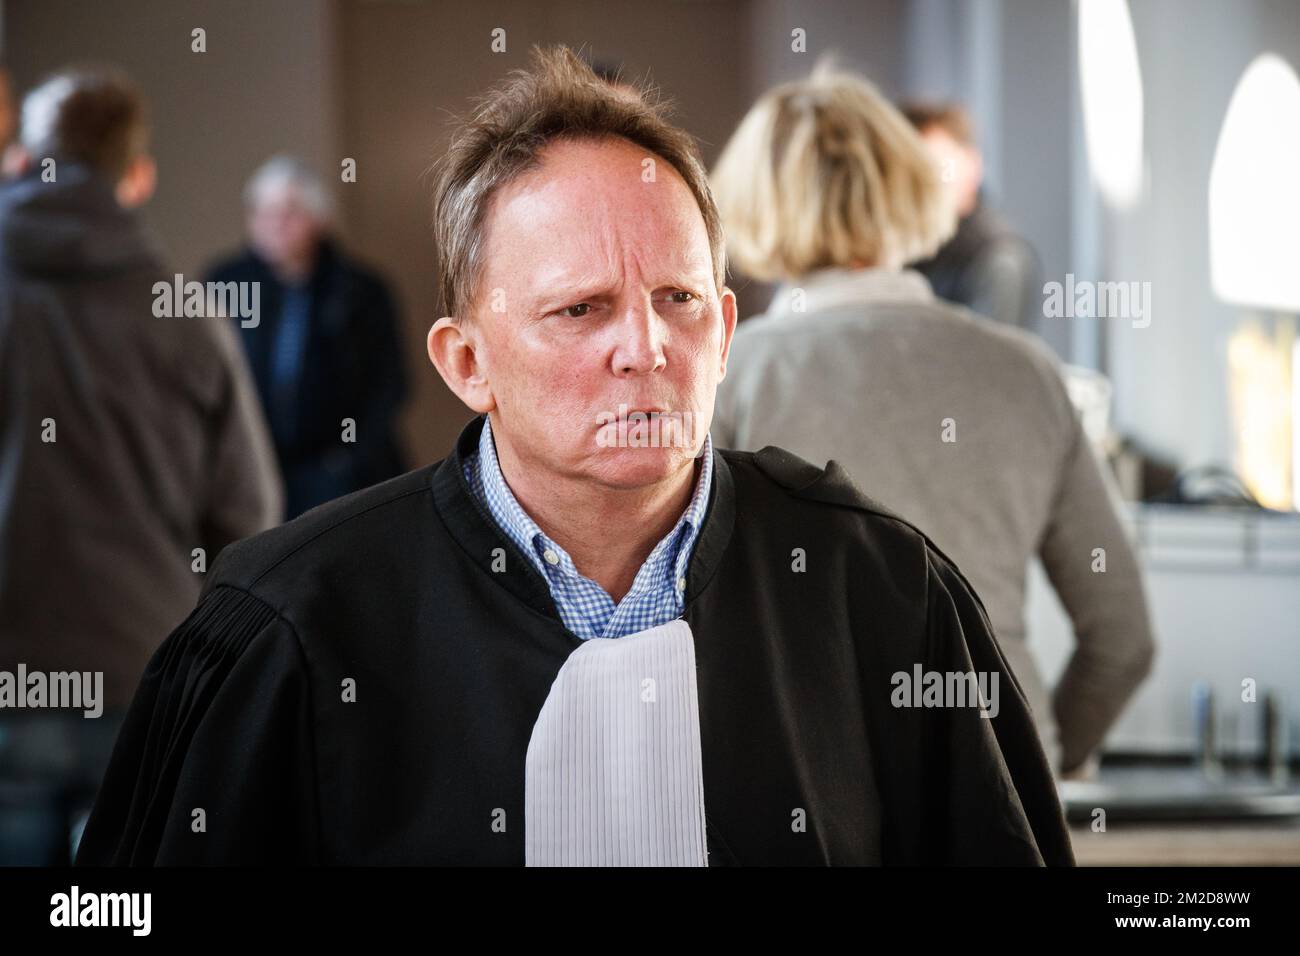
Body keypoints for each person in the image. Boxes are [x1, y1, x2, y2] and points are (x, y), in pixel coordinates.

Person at [76, 46, 1072, 866]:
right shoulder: (290, 627)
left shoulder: (882, 595)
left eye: (678, 300)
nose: (643, 346)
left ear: (724, 331)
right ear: (467, 360)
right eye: (579, 308)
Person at [710, 63, 1156, 779]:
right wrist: (1039, 764)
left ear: (749, 205)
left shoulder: (731, 374)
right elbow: (1122, 637)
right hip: (1002, 784)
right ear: (911, 190)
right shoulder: (1028, 372)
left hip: (810, 792)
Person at [0, 67, 281, 863]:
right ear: (137, 176)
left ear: (24, 159)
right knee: (117, 905)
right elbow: (245, 520)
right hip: (141, 663)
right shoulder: (186, 316)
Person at [205, 156, 408, 519]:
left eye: (290, 212)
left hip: (336, 473)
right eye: (264, 213)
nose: (275, 225)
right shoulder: (222, 285)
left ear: (320, 218)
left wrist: (348, 461)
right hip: (251, 468)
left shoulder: (360, 289)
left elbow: (390, 383)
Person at [901, 101, 1041, 333]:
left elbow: (986, 360)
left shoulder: (1000, 258)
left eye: (937, 166)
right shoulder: (914, 249)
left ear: (972, 165)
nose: (924, 181)